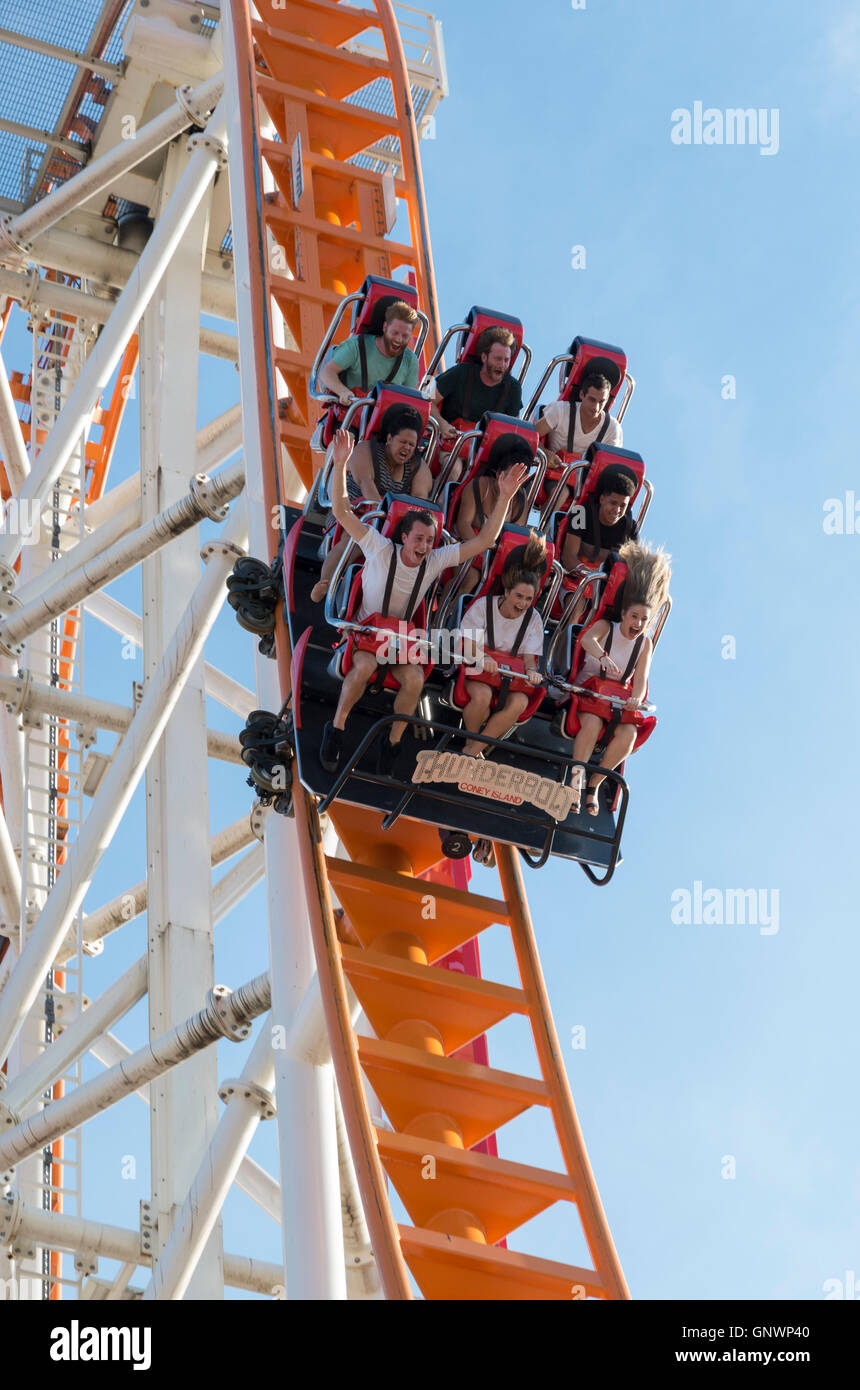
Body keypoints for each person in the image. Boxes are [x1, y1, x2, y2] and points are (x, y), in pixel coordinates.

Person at [320, 428, 528, 775]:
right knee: (365, 668)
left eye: (430, 540)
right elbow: (342, 511)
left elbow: (485, 540)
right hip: (365, 634)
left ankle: (393, 742)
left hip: (398, 641)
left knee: (415, 680)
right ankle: (337, 729)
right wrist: (341, 463)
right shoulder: (380, 548)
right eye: (419, 539)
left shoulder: (434, 560)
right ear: (403, 537)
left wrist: (505, 496)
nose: (425, 545)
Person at [571, 542, 670, 815]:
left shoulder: (644, 645)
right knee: (591, 723)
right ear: (624, 614)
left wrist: (636, 699)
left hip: (614, 701)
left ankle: (594, 784)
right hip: (589, 693)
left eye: (643, 620)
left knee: (628, 733)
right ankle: (575, 781)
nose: (637, 624)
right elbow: (586, 640)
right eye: (634, 616)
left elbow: (640, 678)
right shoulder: (607, 626)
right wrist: (602, 656)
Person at [310, 403, 432, 603]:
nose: (407, 448)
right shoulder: (366, 450)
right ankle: (325, 582)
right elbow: (367, 487)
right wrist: (381, 520)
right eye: (403, 442)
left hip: (394, 520)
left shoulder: (419, 468)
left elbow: (418, 502)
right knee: (356, 540)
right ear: (390, 438)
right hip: (354, 510)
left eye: (412, 444)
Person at [459, 535, 547, 758]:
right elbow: (468, 645)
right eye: (518, 596)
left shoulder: (533, 618)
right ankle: (471, 743)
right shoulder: (483, 606)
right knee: (482, 696)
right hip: (479, 671)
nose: (523, 604)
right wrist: (482, 658)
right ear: (506, 592)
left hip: (510, 677)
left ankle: (473, 751)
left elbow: (529, 658)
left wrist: (531, 672)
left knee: (520, 702)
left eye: (528, 599)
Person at [430, 326, 524, 479]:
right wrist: (442, 424)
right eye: (498, 359)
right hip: (451, 444)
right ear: (484, 357)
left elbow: (512, 430)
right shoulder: (461, 372)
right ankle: (438, 500)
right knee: (454, 469)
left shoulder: (513, 388)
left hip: (483, 453)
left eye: (506, 360)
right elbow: (427, 399)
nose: (502, 365)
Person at [450, 433, 533, 599]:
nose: (515, 482)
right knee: (471, 578)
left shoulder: (521, 500)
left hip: (495, 557)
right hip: (465, 545)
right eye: (511, 476)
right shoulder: (479, 486)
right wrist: (481, 554)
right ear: (498, 474)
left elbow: (516, 539)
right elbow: (463, 524)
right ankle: (446, 615)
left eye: (520, 478)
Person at [536, 371, 623, 509]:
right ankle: (543, 529)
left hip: (585, 484)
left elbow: (610, 468)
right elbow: (529, 435)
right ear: (582, 395)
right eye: (592, 400)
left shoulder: (612, 429)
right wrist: (546, 453)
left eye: (602, 402)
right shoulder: (561, 411)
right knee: (561, 492)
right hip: (554, 474)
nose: (596, 408)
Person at [318, 300, 420, 404]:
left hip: (384, 416)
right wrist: (343, 392)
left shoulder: (410, 360)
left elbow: (410, 400)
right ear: (385, 327)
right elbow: (326, 372)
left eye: (405, 336)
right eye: (395, 333)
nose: (399, 339)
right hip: (350, 410)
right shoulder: (357, 345)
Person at [561, 466, 639, 574]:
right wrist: (590, 576)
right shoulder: (580, 513)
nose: (617, 510)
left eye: (623, 505)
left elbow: (632, 568)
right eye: (613, 503)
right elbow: (568, 558)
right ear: (602, 499)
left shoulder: (630, 527)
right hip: (572, 576)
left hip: (605, 584)